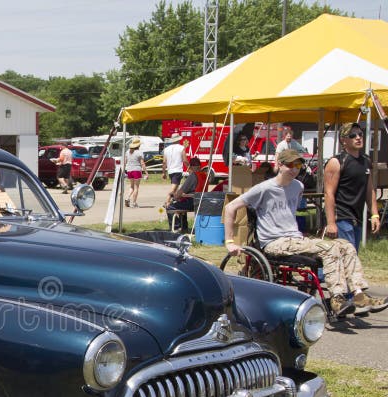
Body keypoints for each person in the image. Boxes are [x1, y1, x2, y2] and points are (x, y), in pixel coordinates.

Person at [223, 149, 388, 318]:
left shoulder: (298, 186)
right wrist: (229, 241)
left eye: (298, 165)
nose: (295, 169)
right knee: (329, 249)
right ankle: (337, 299)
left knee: (346, 246)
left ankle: (359, 294)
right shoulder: (264, 188)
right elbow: (230, 207)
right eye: (290, 165)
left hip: (295, 239)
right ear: (280, 165)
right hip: (275, 242)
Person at [323, 122, 381, 252]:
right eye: (353, 135)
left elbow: (369, 189)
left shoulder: (366, 160)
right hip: (342, 217)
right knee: (348, 256)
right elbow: (328, 193)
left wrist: (375, 215)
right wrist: (331, 223)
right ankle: (321, 273)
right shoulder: (336, 162)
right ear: (343, 140)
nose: (358, 137)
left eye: (360, 134)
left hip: (357, 217)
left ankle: (323, 272)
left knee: (347, 257)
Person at [165, 156, 201, 232]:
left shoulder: (193, 176)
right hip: (201, 201)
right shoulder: (204, 175)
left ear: (190, 166)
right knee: (180, 203)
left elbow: (180, 193)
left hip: (192, 202)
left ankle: (176, 228)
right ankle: (184, 227)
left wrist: (172, 198)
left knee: (170, 206)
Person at [162, 134, 187, 204]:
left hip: (170, 171)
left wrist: (164, 173)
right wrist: (190, 168)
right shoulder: (181, 148)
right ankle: (167, 201)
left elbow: (164, 162)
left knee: (176, 187)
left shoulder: (166, 149)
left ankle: (175, 201)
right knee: (173, 188)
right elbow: (185, 160)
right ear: (178, 139)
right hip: (177, 170)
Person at [123, 137, 147, 207]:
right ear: (138, 145)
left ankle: (127, 198)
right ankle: (134, 203)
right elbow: (142, 163)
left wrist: (124, 170)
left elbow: (125, 162)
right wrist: (146, 173)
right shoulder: (139, 152)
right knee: (136, 187)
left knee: (131, 186)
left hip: (129, 170)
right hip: (137, 170)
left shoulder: (127, 152)